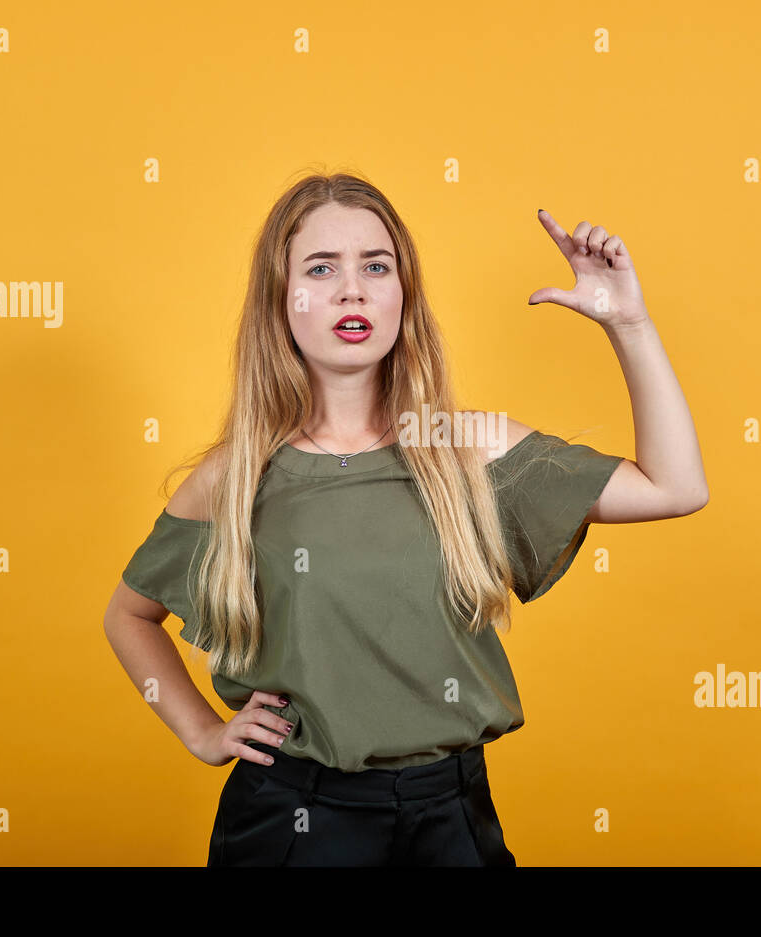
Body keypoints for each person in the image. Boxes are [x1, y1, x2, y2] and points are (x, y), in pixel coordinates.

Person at [102, 170, 709, 866]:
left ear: (402, 296)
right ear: (282, 299)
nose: (351, 288)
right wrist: (204, 732)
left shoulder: (468, 448)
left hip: (453, 820)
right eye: (321, 268)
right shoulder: (236, 477)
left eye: (376, 266)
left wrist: (628, 322)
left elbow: (675, 487)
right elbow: (129, 614)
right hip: (293, 823)